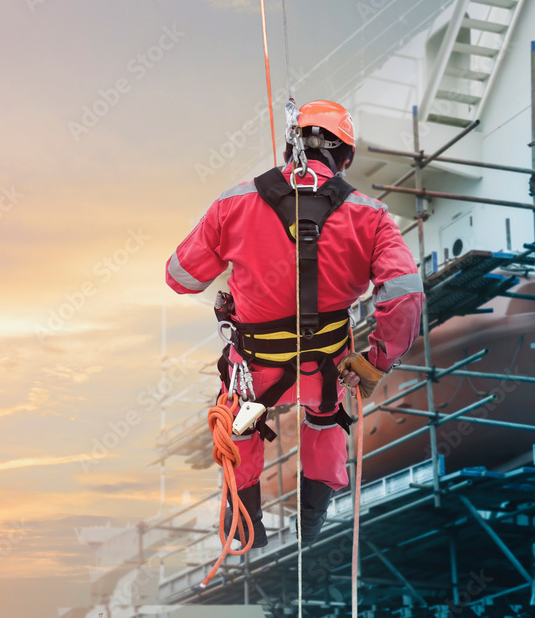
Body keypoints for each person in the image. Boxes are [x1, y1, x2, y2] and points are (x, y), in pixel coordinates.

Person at [165, 100, 423, 546]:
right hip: (325, 369)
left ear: (290, 148)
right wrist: (378, 360)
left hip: (255, 370)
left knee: (239, 422)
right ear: (345, 159)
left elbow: (180, 279)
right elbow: (406, 294)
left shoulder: (234, 202)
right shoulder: (372, 215)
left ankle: (245, 523)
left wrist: (236, 257)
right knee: (325, 420)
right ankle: (314, 520)